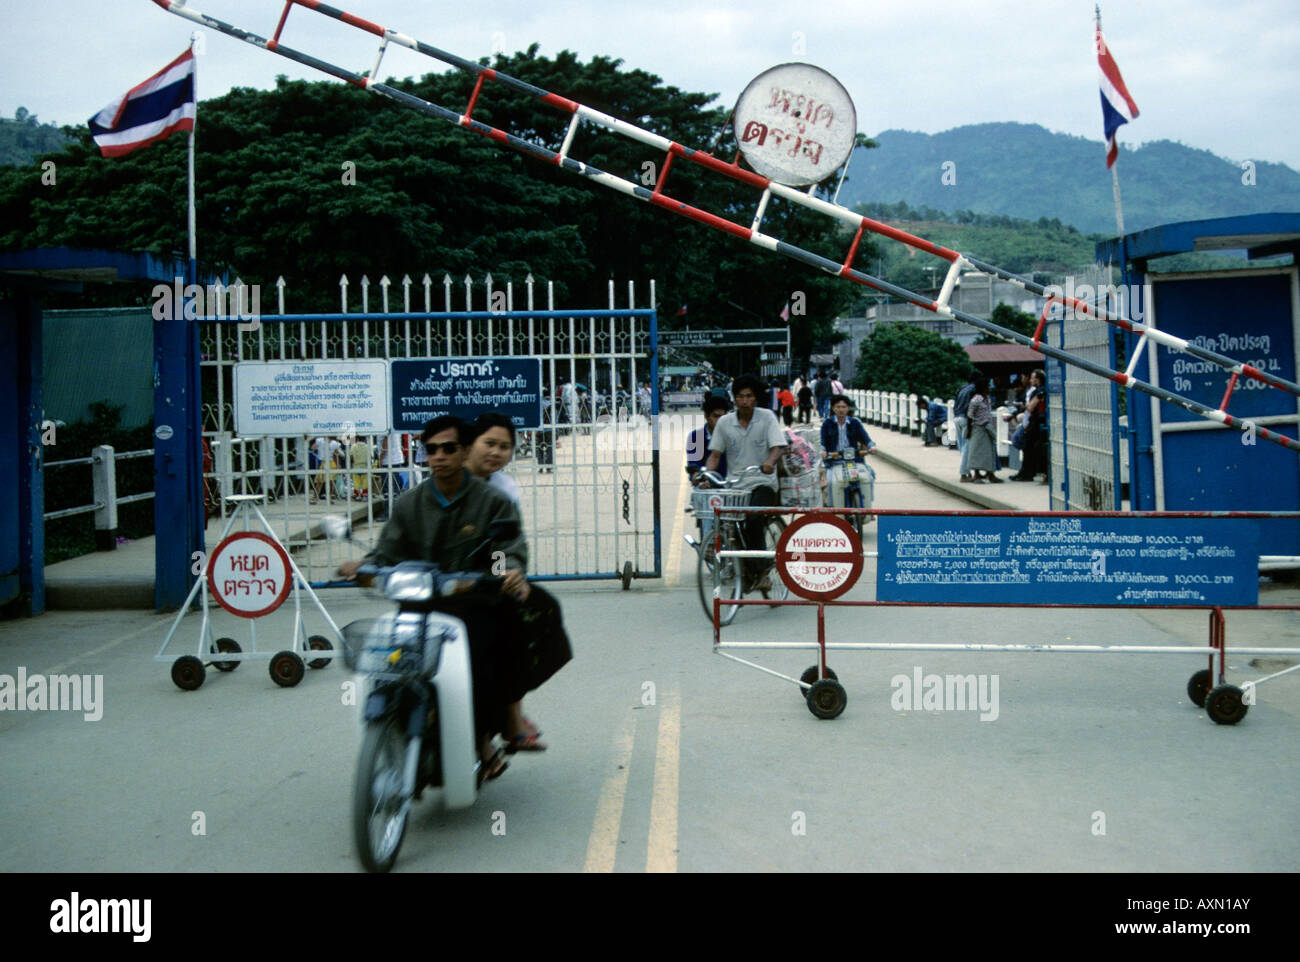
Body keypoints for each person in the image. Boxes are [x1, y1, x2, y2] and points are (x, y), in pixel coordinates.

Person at [337, 415, 533, 781]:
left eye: (449, 448)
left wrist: (504, 571)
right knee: (388, 661)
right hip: (419, 605)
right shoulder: (410, 503)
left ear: (464, 452)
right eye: (431, 450)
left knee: (482, 670)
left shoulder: (492, 502)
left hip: (473, 607)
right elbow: (387, 553)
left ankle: (479, 739)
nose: (439, 456)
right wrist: (364, 567)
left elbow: (505, 548)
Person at [465, 412, 573, 753]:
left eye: (505, 447)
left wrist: (503, 573)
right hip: (439, 584)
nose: (496, 453)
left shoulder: (503, 490)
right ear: (470, 444)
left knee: (536, 616)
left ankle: (508, 715)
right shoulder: (446, 480)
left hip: (484, 583)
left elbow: (504, 546)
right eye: (489, 444)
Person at [695, 374, 786, 591]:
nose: (744, 401)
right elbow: (715, 455)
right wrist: (706, 474)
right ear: (734, 399)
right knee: (730, 525)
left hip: (763, 481)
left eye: (749, 396)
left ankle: (763, 570)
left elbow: (778, 447)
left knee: (753, 519)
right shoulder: (725, 423)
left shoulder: (767, 418)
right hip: (735, 485)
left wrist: (770, 462)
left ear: (755, 398)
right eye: (740, 397)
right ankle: (743, 568)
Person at [820, 394, 878, 510]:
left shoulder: (855, 423)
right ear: (833, 408)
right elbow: (823, 442)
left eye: (844, 407)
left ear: (848, 408)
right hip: (834, 461)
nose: (841, 410)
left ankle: (867, 505)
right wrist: (823, 451)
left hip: (854, 460)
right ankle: (832, 507)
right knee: (830, 482)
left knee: (870, 476)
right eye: (838, 407)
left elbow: (865, 438)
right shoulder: (827, 423)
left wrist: (872, 446)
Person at [964, 377, 1002, 483]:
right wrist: (969, 430)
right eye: (988, 386)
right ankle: (976, 475)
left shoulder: (987, 398)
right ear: (983, 387)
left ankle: (990, 474)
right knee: (976, 451)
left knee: (990, 451)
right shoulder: (976, 399)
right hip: (977, 428)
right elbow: (970, 415)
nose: (990, 387)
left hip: (987, 427)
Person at [685, 394, 730, 480]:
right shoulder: (695, 436)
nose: (720, 420)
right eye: (716, 416)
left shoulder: (731, 435)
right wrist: (696, 475)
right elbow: (694, 462)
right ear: (706, 416)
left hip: (729, 485)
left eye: (723, 416)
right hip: (705, 485)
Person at [953, 370, 981, 482]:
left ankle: (967, 472)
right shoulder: (975, 389)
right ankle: (964, 474)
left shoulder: (961, 388)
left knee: (962, 447)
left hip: (957, 418)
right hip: (966, 419)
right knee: (967, 447)